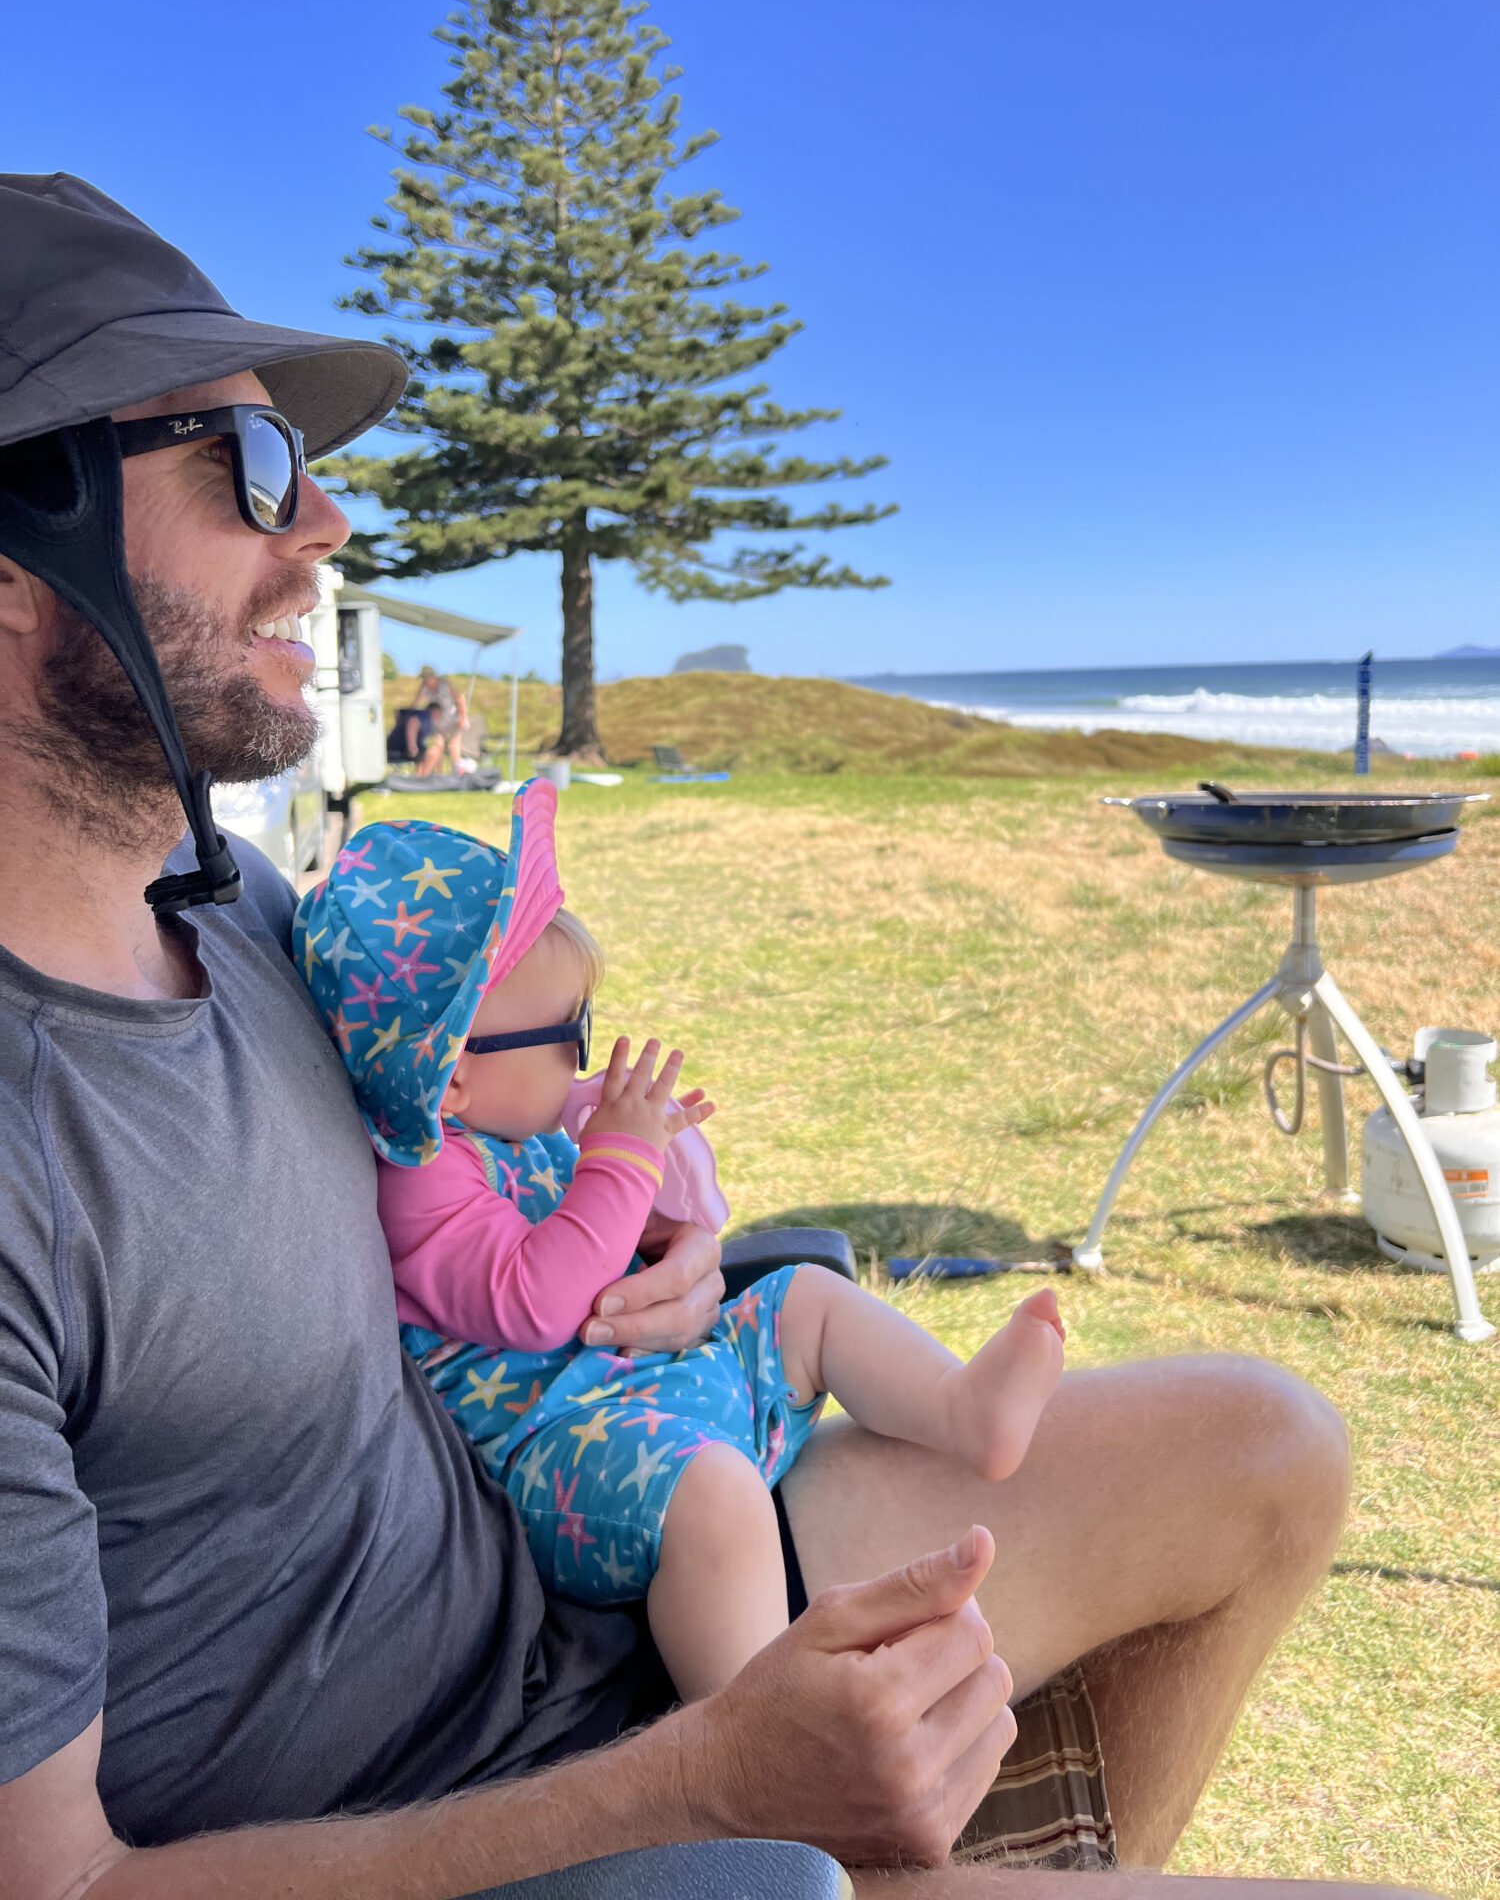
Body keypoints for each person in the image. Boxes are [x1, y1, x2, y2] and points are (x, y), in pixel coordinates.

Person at [0, 175, 1385, 1900]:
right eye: (249, 469)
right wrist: (703, 1786)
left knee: (1268, 1451)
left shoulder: (237, 913)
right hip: (492, 1827)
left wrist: (677, 1232)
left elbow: (487, 1143)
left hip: (576, 1566)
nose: (329, 522)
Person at [294, 801, 1067, 1703]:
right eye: (568, 1034)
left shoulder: (512, 1127)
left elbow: (644, 1228)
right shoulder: (419, 1186)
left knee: (805, 1299)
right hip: (560, 1456)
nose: (585, 1052)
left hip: (644, 1389)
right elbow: (537, 1299)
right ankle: (755, 1731)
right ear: (453, 1073)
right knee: (717, 1499)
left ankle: (964, 1406)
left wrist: (658, 1170)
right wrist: (616, 1160)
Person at [412, 663, 470, 776]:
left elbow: (460, 699)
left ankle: (457, 773)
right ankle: (439, 775)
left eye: (426, 679)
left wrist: (463, 718)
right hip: (439, 723)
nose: (425, 681)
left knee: (453, 746)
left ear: (433, 677)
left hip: (454, 720)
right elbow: (415, 703)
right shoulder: (424, 688)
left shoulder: (445, 685)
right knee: (438, 746)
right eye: (423, 679)